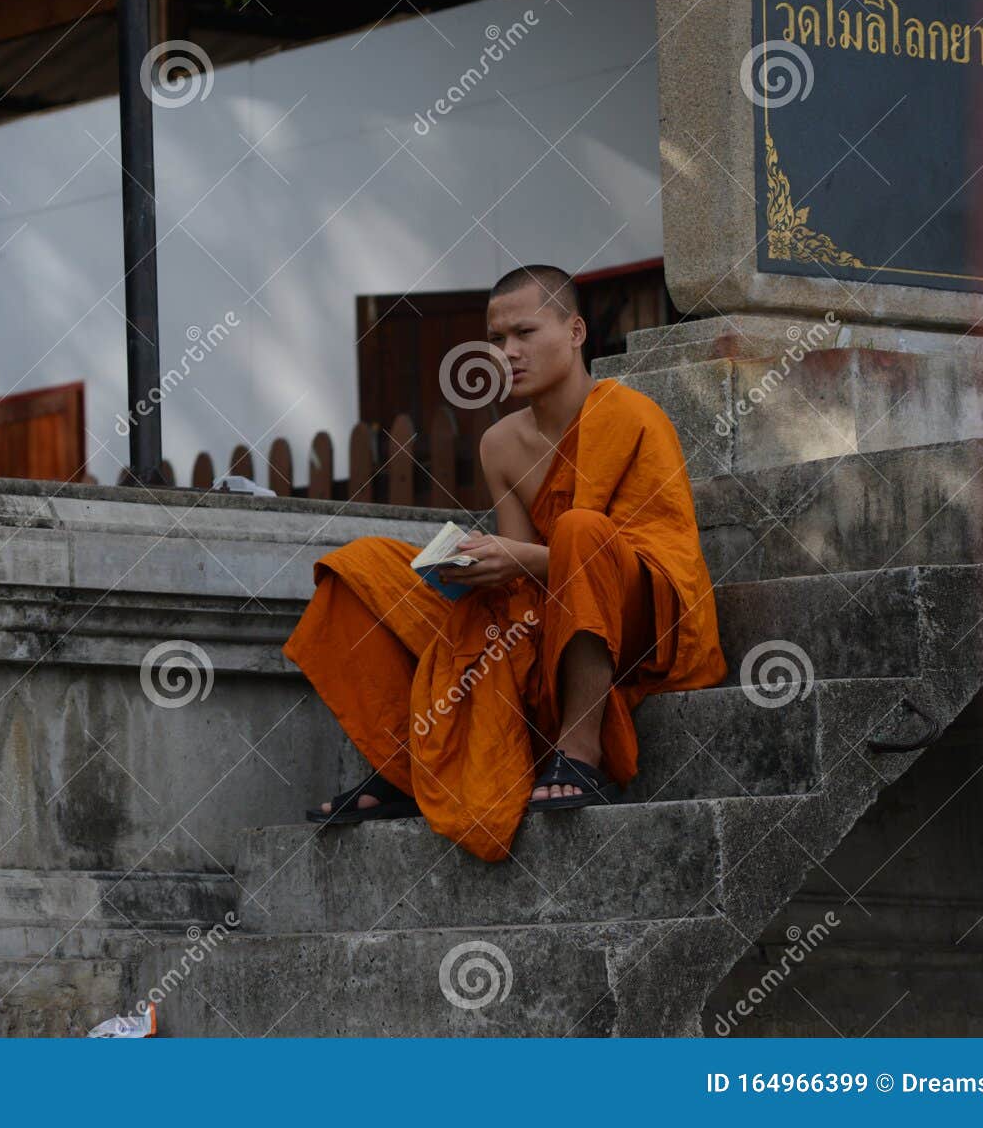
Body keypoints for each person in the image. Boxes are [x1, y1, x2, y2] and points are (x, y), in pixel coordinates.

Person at [281, 264, 728, 862]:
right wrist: (481, 565)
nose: (507, 353)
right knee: (363, 566)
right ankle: (410, 767)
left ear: (575, 332)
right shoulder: (501, 444)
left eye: (525, 333)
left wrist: (519, 557)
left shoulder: (632, 417)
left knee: (581, 529)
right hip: (554, 609)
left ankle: (581, 751)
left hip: (641, 618)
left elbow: (646, 553)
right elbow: (524, 582)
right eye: (496, 340)